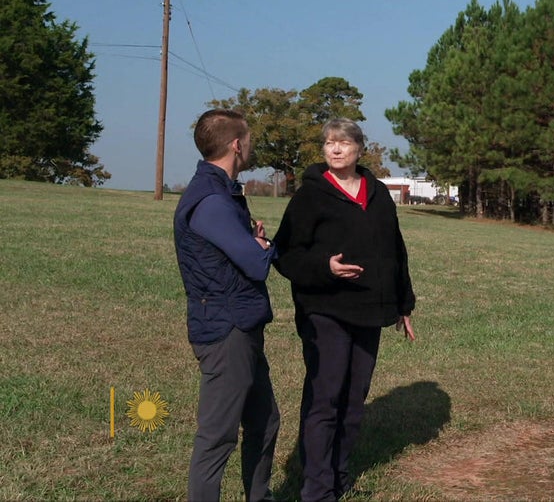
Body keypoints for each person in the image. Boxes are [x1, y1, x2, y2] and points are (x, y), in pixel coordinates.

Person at [273, 118, 416, 502]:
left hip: (369, 310)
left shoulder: (379, 194)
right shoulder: (310, 196)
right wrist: (326, 268)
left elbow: (394, 250)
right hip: (325, 310)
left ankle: (339, 475)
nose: (335, 149)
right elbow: (284, 254)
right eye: (329, 144)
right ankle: (317, 489)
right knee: (326, 398)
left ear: (359, 148)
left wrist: (404, 304)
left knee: (354, 399)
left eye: (343, 143)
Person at [173, 109, 280, 502]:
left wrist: (251, 240)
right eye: (248, 140)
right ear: (237, 145)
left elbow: (237, 253)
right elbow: (255, 264)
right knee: (217, 437)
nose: (249, 146)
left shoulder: (223, 194)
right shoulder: (212, 200)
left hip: (241, 323)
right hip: (225, 331)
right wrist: (262, 248)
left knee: (265, 421)